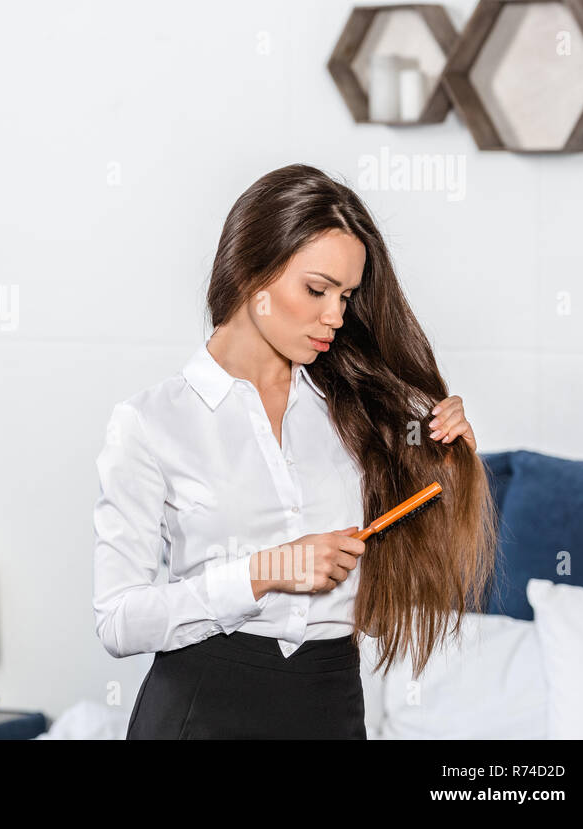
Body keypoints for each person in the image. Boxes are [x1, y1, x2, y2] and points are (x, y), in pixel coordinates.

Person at [92, 163, 497, 739]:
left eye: (347, 296)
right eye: (316, 290)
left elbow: (411, 566)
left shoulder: (360, 410)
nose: (336, 315)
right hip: (199, 709)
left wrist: (454, 462)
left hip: (331, 703)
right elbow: (117, 622)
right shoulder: (150, 423)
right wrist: (265, 572)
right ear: (250, 270)